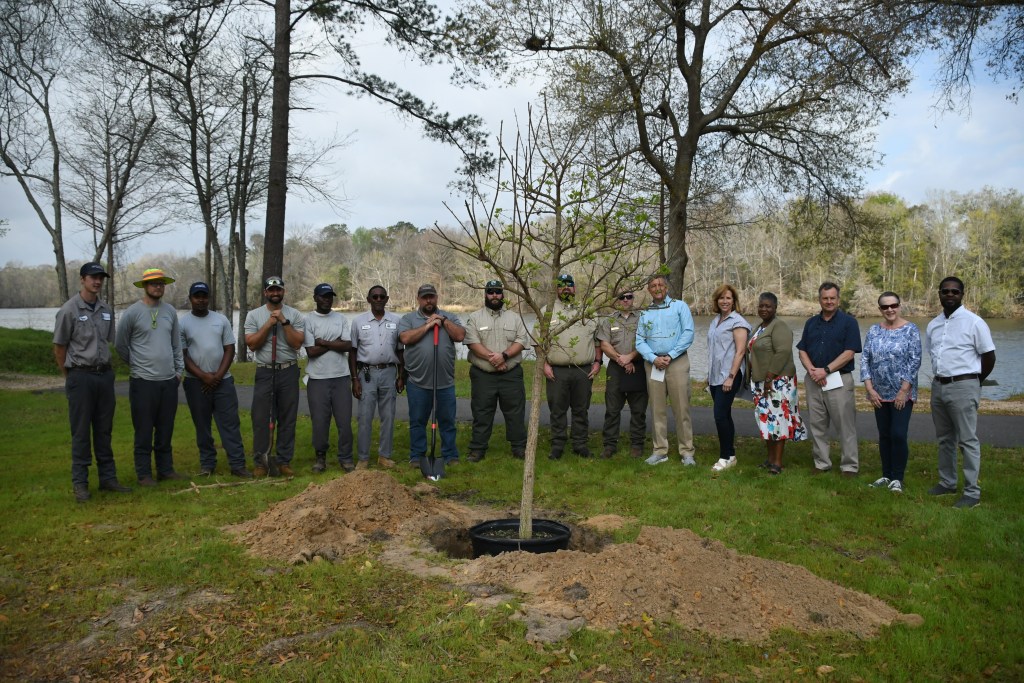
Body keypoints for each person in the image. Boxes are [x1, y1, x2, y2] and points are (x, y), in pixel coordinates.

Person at [53, 262, 132, 502]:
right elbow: (59, 346)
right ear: (82, 279)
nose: (97, 282)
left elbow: (108, 341)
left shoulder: (106, 310)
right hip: (80, 375)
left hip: (104, 375)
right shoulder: (69, 310)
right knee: (80, 431)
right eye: (92, 277)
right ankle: (80, 483)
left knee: (104, 428)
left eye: (100, 278)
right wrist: (69, 376)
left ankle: (108, 478)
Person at [925, 276, 996, 509]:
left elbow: (989, 357)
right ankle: (947, 482)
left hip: (964, 385)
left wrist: (975, 382)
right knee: (945, 439)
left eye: (955, 291)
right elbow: (934, 355)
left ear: (962, 294)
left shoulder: (974, 323)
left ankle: (972, 492)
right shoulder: (933, 325)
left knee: (967, 440)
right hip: (938, 386)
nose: (950, 295)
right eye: (945, 291)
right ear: (939, 294)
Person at [115, 267, 185, 486]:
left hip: (168, 381)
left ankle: (166, 470)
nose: (158, 286)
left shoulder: (170, 312)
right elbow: (120, 345)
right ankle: (144, 473)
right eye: (154, 283)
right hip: (143, 382)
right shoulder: (132, 313)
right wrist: (136, 364)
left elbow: (176, 344)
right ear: (145, 286)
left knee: (165, 428)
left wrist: (178, 372)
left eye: (161, 283)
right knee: (144, 429)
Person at [180, 282, 251, 478]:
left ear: (209, 298)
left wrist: (217, 376)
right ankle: (207, 464)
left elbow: (230, 348)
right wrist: (203, 376)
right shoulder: (183, 323)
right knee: (202, 425)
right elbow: (183, 354)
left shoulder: (221, 320)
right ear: (191, 298)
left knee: (229, 423)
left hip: (223, 381)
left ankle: (237, 464)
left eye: (204, 296)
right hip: (195, 382)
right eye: (197, 296)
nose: (201, 299)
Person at [797, 282, 862, 477]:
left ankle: (849, 466)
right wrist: (812, 370)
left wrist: (825, 370)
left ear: (838, 300)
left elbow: (849, 353)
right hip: (814, 380)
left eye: (832, 298)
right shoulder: (811, 323)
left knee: (845, 425)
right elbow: (802, 350)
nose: (829, 301)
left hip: (838, 380)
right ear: (819, 300)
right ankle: (821, 463)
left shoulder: (849, 322)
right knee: (817, 424)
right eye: (825, 298)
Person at [398, 284, 466, 467]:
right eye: (424, 297)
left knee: (447, 421)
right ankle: (417, 455)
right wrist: (428, 325)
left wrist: (442, 321)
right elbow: (405, 338)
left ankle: (450, 455)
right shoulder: (409, 318)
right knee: (418, 421)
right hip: (418, 382)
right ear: (419, 299)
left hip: (444, 382)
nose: (428, 300)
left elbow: (460, 335)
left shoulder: (449, 316)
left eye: (431, 297)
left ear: (437, 297)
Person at [244, 275, 305, 477]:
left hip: (288, 370)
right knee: (261, 417)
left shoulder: (294, 315)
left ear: (283, 291)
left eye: (278, 289)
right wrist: (269, 325)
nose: (275, 293)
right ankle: (261, 462)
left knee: (287, 418)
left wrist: (284, 322)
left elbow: (297, 343)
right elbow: (251, 344)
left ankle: (283, 461)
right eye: (271, 290)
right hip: (265, 370)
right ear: (265, 293)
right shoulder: (254, 315)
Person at [861, 291, 921, 494]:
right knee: (885, 435)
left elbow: (915, 361)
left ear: (899, 305)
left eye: (893, 305)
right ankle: (886, 474)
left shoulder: (911, 330)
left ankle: (898, 478)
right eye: (885, 307)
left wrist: (904, 390)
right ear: (880, 309)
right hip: (879, 393)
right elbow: (865, 359)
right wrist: (869, 389)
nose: (890, 310)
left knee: (898, 434)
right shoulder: (873, 330)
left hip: (902, 394)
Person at [463, 280, 529, 461]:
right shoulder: (474, 318)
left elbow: (522, 340)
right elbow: (472, 342)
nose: (494, 295)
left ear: (503, 295)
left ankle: (519, 447)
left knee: (515, 412)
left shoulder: (515, 318)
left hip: (511, 374)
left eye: (497, 292)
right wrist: (494, 359)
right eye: (490, 292)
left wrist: (505, 356)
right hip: (483, 375)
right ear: (485, 294)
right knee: (481, 412)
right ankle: (477, 449)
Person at [539, 274, 601, 460]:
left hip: (583, 370)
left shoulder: (587, 311)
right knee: (557, 409)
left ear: (574, 288)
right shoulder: (547, 312)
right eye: (562, 285)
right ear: (556, 289)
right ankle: (557, 445)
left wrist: (598, 362)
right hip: (557, 371)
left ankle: (580, 444)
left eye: (569, 285)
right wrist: (544, 364)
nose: (566, 288)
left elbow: (597, 341)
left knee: (581, 409)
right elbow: (538, 342)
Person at [636, 273, 695, 466]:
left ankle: (687, 452)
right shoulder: (645, 313)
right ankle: (660, 450)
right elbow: (640, 340)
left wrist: (670, 355)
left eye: (660, 285)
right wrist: (654, 358)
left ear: (667, 287)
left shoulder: (679, 306)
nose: (657, 288)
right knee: (657, 408)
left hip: (676, 362)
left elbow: (688, 333)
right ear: (649, 290)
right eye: (653, 286)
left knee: (681, 408)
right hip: (654, 364)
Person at [748, 292, 806, 474]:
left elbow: (782, 352)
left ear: (775, 308)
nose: (764, 309)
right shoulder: (759, 326)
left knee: (778, 420)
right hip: (761, 382)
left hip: (778, 381)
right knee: (766, 420)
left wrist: (769, 378)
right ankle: (770, 458)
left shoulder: (779, 326)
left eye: (768, 306)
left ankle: (777, 463)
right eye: (761, 305)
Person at [349, 285, 405, 470]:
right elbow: (353, 352)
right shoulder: (358, 322)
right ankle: (363, 458)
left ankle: (384, 456)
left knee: (388, 416)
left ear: (387, 299)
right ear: (369, 299)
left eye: (382, 297)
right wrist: (354, 379)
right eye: (375, 297)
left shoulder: (396, 321)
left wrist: (401, 375)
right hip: (366, 374)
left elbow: (400, 351)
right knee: (364, 417)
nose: (379, 299)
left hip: (389, 372)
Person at [304, 283, 354, 473]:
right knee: (320, 421)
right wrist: (335, 343)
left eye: (330, 296)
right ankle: (320, 458)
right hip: (317, 379)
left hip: (341, 377)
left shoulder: (340, 318)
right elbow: (311, 352)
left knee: (344, 421)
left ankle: (346, 458)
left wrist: (323, 342)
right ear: (315, 298)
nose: (327, 300)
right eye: (323, 296)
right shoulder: (308, 320)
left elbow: (348, 345)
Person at [705, 284, 751, 471]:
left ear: (734, 301)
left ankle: (724, 457)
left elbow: (740, 352)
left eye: (728, 298)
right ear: (717, 301)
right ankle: (731, 455)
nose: (725, 301)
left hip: (729, 376)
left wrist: (731, 377)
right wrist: (709, 375)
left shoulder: (737, 322)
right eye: (721, 298)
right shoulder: (716, 320)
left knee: (719, 415)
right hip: (715, 376)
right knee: (724, 415)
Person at [597, 290, 647, 459]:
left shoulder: (643, 318)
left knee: (638, 410)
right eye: (622, 297)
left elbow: (646, 342)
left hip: (638, 366)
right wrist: (621, 359)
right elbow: (604, 344)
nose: (625, 300)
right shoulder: (609, 319)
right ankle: (609, 445)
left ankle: (637, 445)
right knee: (612, 409)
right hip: (616, 368)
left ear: (633, 298)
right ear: (617, 300)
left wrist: (631, 357)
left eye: (629, 297)